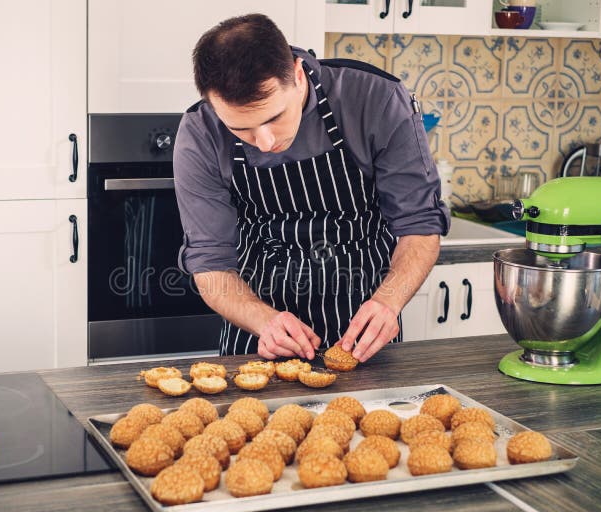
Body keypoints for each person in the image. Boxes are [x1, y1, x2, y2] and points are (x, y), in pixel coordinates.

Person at [174, 14, 449, 362]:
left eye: (274, 117)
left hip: (366, 327)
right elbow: (210, 264)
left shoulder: (375, 99)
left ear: (298, 75)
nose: (265, 142)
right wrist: (264, 321)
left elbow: (420, 227)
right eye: (241, 129)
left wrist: (388, 301)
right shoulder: (200, 133)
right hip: (258, 332)